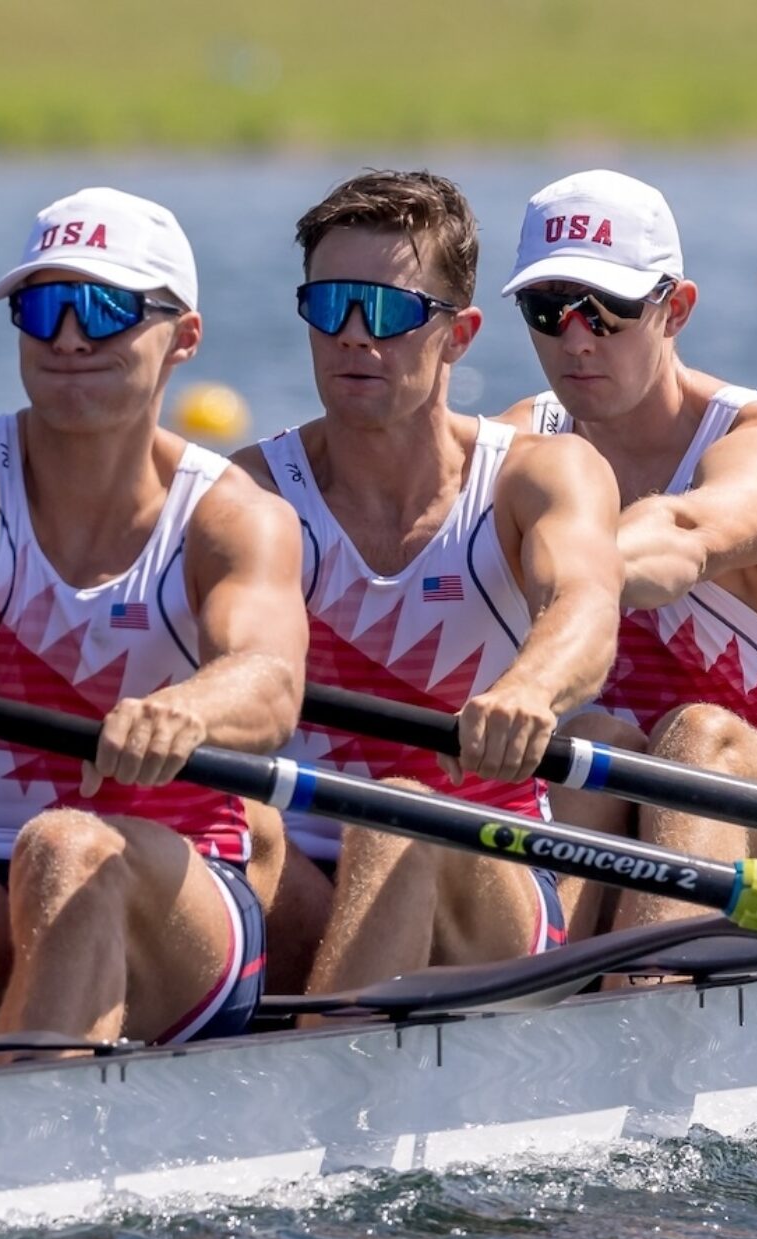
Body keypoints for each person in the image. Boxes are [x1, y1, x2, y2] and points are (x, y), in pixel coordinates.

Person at [0, 187, 306, 1044]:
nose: (68, 337)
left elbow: (270, 684)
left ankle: (9, 1121)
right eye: (41, 308)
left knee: (68, 847)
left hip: (175, 903)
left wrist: (190, 707)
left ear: (182, 337)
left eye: (103, 309)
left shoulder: (232, 516)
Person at [231, 170, 622, 994]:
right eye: (327, 303)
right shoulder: (248, 492)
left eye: (386, 310)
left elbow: (585, 608)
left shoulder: (538, 476)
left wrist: (529, 689)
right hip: (302, 882)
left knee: (400, 816)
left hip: (488, 874)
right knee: (224, 825)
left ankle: (318, 1073)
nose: (350, 334)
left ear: (459, 334)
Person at [497, 170, 757, 933]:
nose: (575, 340)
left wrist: (567, 572)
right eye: (547, 309)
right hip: (604, 822)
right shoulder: (518, 447)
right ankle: (524, 994)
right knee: (592, 744)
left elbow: (682, 540)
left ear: (675, 311)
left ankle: (645, 996)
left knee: (694, 738)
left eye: (608, 311)